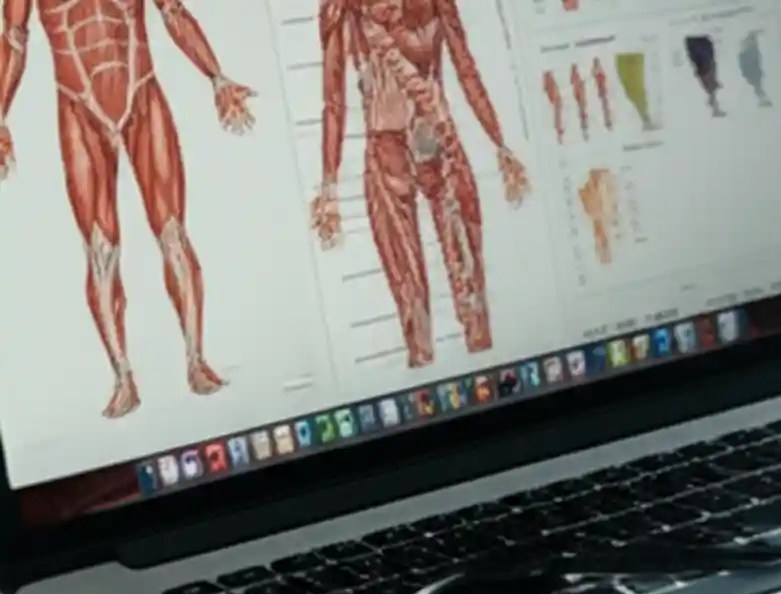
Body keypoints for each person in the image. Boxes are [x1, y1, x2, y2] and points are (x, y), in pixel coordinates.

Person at [0, 0, 254, 418]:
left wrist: (216, 77)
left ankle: (196, 360)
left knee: (173, 235)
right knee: (101, 253)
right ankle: (123, 377)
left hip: (141, 91)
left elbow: (172, 10)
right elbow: (14, 37)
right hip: (78, 106)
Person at [311, 0, 531, 367]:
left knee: (429, 307)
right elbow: (466, 70)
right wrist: (499, 144)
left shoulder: (341, 7)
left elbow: (334, 102)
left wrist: (330, 187)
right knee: (461, 300)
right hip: (429, 139)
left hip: (398, 145)